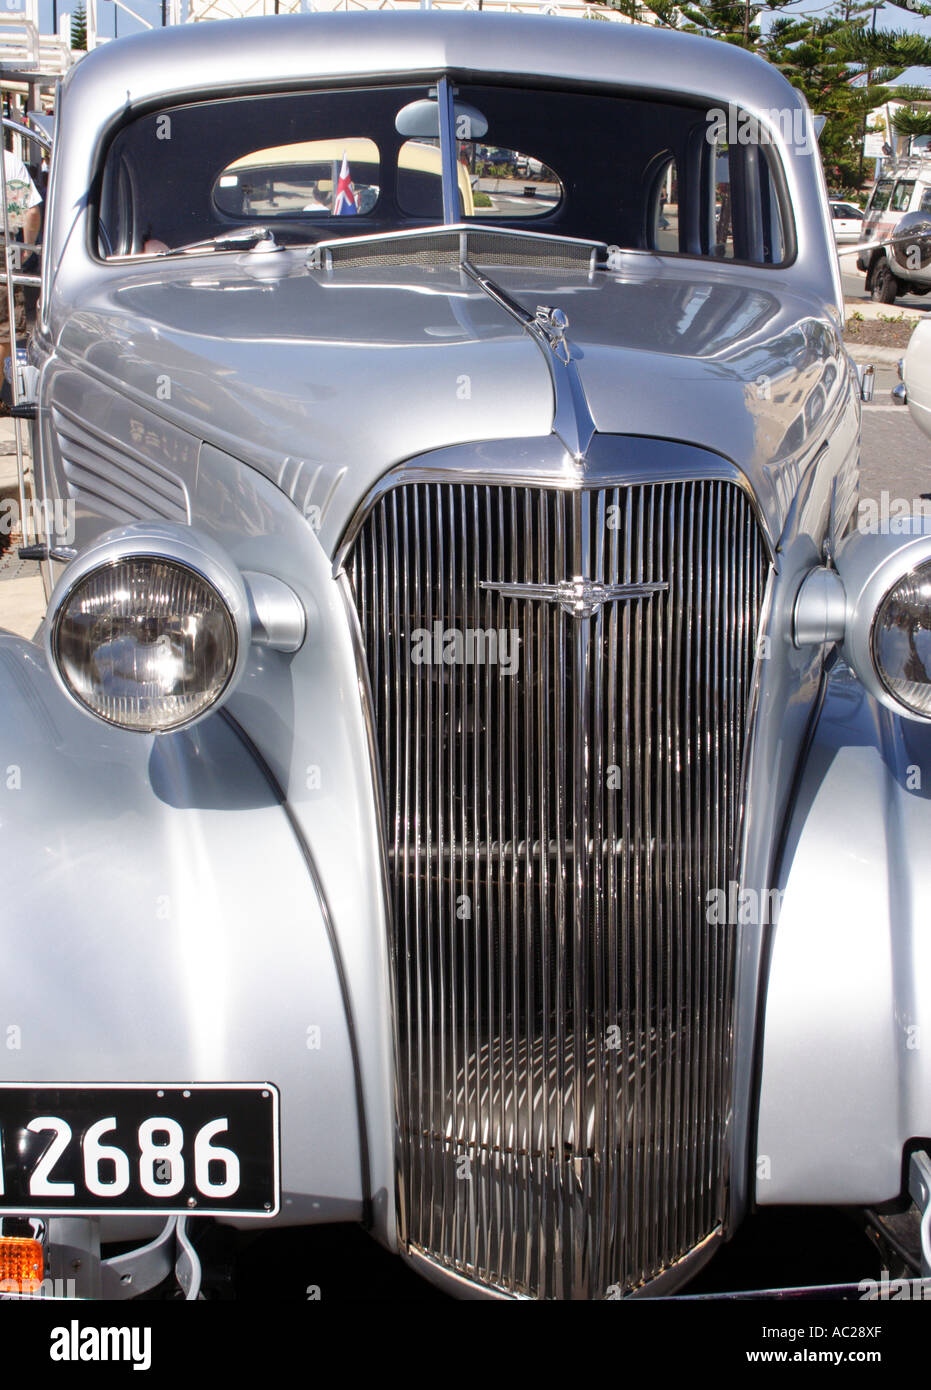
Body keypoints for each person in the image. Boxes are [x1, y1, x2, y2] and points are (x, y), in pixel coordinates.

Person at [0, 146, 43, 405]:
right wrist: (25, 248)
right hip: (4, 245)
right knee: (3, 329)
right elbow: (30, 212)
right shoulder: (8, 161)